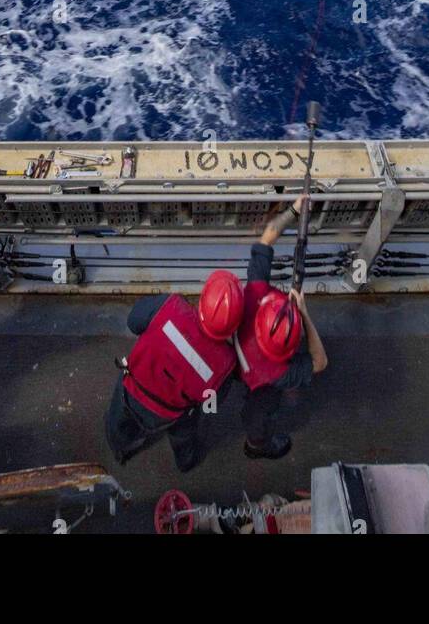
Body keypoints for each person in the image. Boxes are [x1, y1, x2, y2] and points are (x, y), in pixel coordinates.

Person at [105, 269, 244, 472]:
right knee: (185, 432)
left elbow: (133, 322)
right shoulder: (225, 365)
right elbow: (209, 406)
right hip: (171, 414)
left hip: (132, 390)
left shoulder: (168, 307)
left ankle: (119, 448)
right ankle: (185, 462)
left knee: (118, 423)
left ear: (203, 298)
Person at [234, 197, 328, 460]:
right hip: (258, 383)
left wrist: (293, 210)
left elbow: (266, 238)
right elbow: (320, 362)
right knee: (261, 411)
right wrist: (305, 313)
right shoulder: (278, 372)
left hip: (237, 359)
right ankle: (257, 445)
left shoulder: (255, 294)